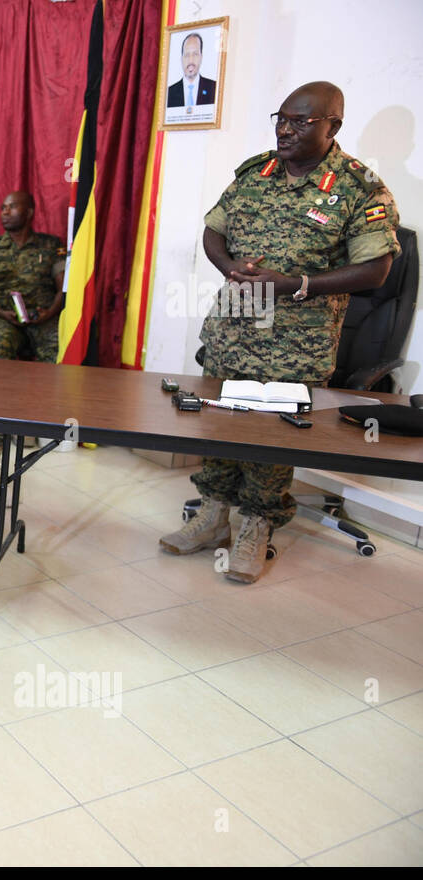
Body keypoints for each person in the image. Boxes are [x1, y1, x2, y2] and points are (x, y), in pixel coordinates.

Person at [160, 81, 399, 584]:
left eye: (301, 121)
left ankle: (254, 528)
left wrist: (297, 285)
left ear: (333, 124)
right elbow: (213, 229)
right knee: (220, 423)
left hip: (296, 344)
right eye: (281, 118)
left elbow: (375, 270)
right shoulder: (256, 171)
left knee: (270, 438)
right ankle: (212, 515)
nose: (285, 129)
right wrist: (227, 266)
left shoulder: (360, 188)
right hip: (231, 330)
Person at [0, 191, 66, 500]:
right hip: (2, 316)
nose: (5, 211)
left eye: (13, 207)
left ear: (30, 212)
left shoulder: (50, 246)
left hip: (42, 314)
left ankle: (40, 420)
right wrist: (2, 313)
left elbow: (62, 284)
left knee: (57, 345)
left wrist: (51, 311)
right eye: (3, 207)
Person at [166, 33, 216, 111]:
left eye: (195, 54)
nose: (191, 60)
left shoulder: (214, 88)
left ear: (201, 57)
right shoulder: (169, 93)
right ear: (181, 59)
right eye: (187, 55)